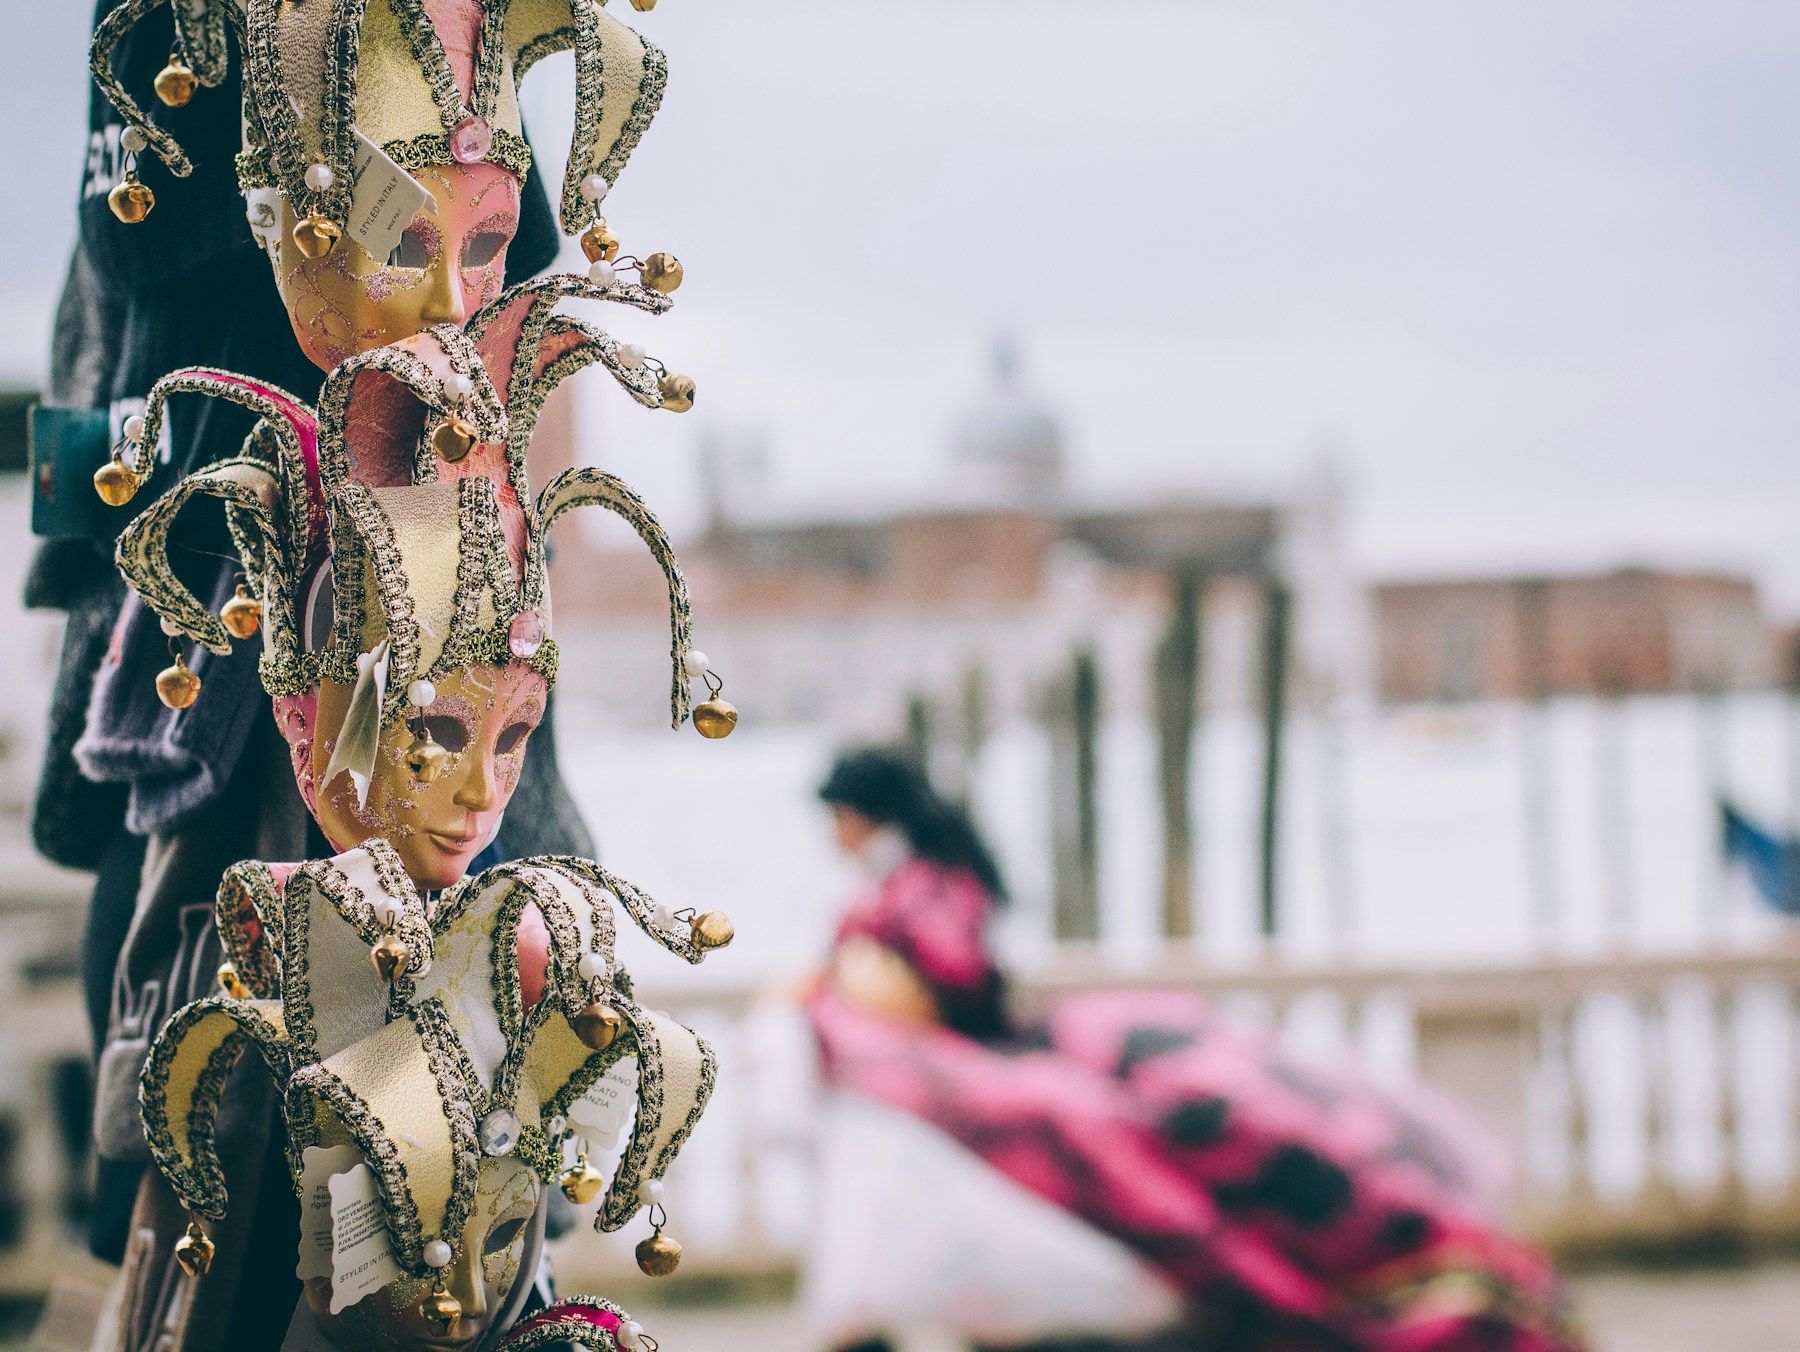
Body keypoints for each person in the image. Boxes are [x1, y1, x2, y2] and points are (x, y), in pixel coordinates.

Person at [101, 264, 735, 1348]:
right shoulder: (283, 934)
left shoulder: (531, 939)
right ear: (304, 721)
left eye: (516, 733)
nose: (484, 793)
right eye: (437, 733)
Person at [803, 748, 1584, 1352]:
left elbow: (959, 974)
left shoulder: (925, 886)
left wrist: (870, 963)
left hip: (992, 1053)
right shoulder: (916, 881)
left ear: (860, 813)